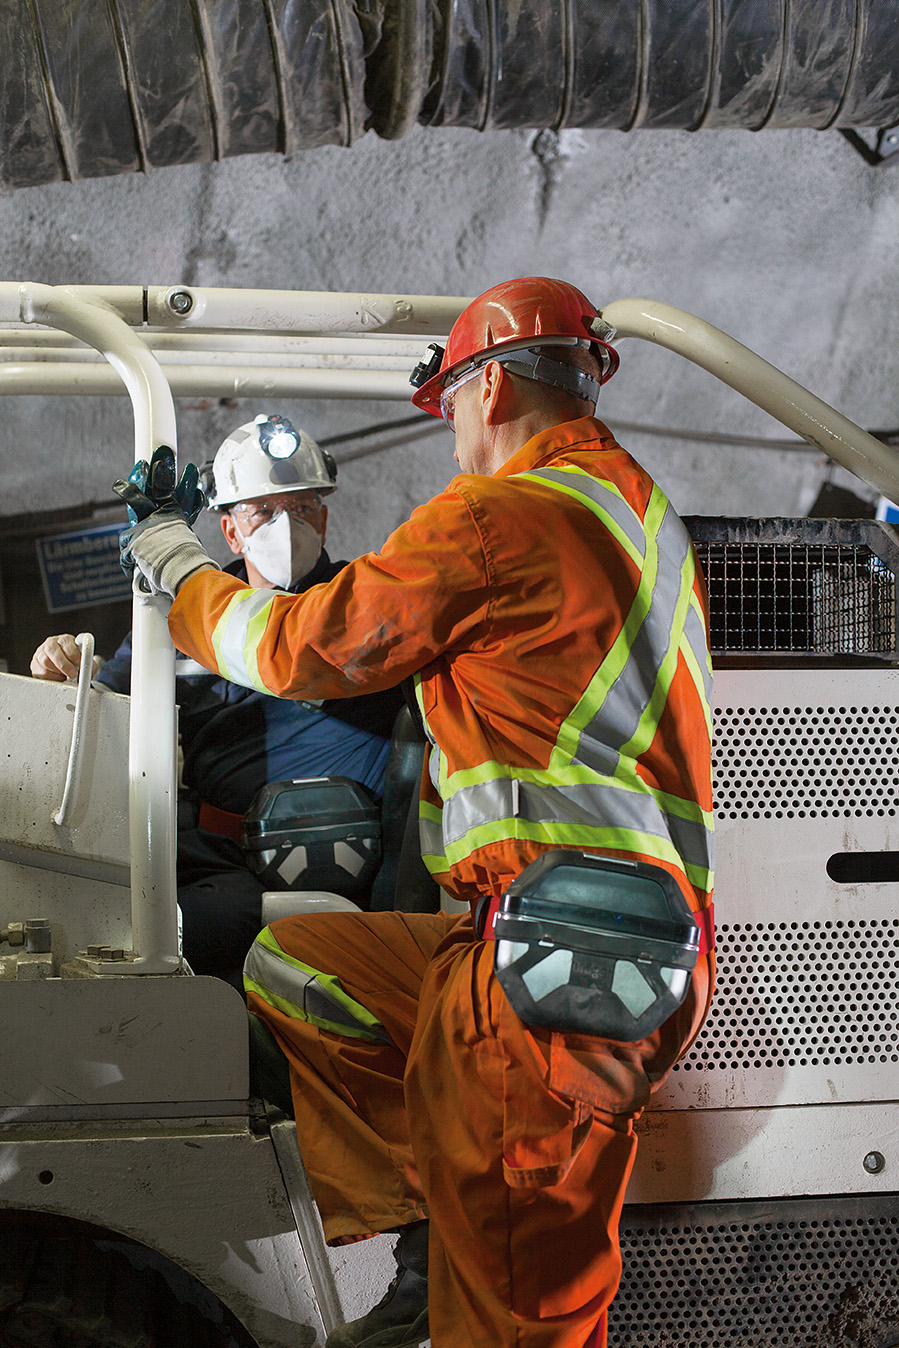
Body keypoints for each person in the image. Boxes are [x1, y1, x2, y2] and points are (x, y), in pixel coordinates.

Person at [117, 278, 715, 1347]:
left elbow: (299, 647)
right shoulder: (640, 520)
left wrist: (174, 562)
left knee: (520, 1318)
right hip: (567, 941)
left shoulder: (499, 519)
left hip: (559, 968)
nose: (448, 436)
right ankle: (432, 1232)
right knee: (303, 971)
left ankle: (468, 1258)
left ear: (488, 387)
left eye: (446, 406)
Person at [31, 414, 402, 988]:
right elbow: (99, 712)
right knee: (152, 941)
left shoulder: (371, 605)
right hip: (221, 867)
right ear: (231, 531)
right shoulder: (174, 624)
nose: (289, 525)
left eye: (303, 507)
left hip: (365, 870)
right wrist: (64, 674)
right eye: (265, 510)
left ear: (325, 519)